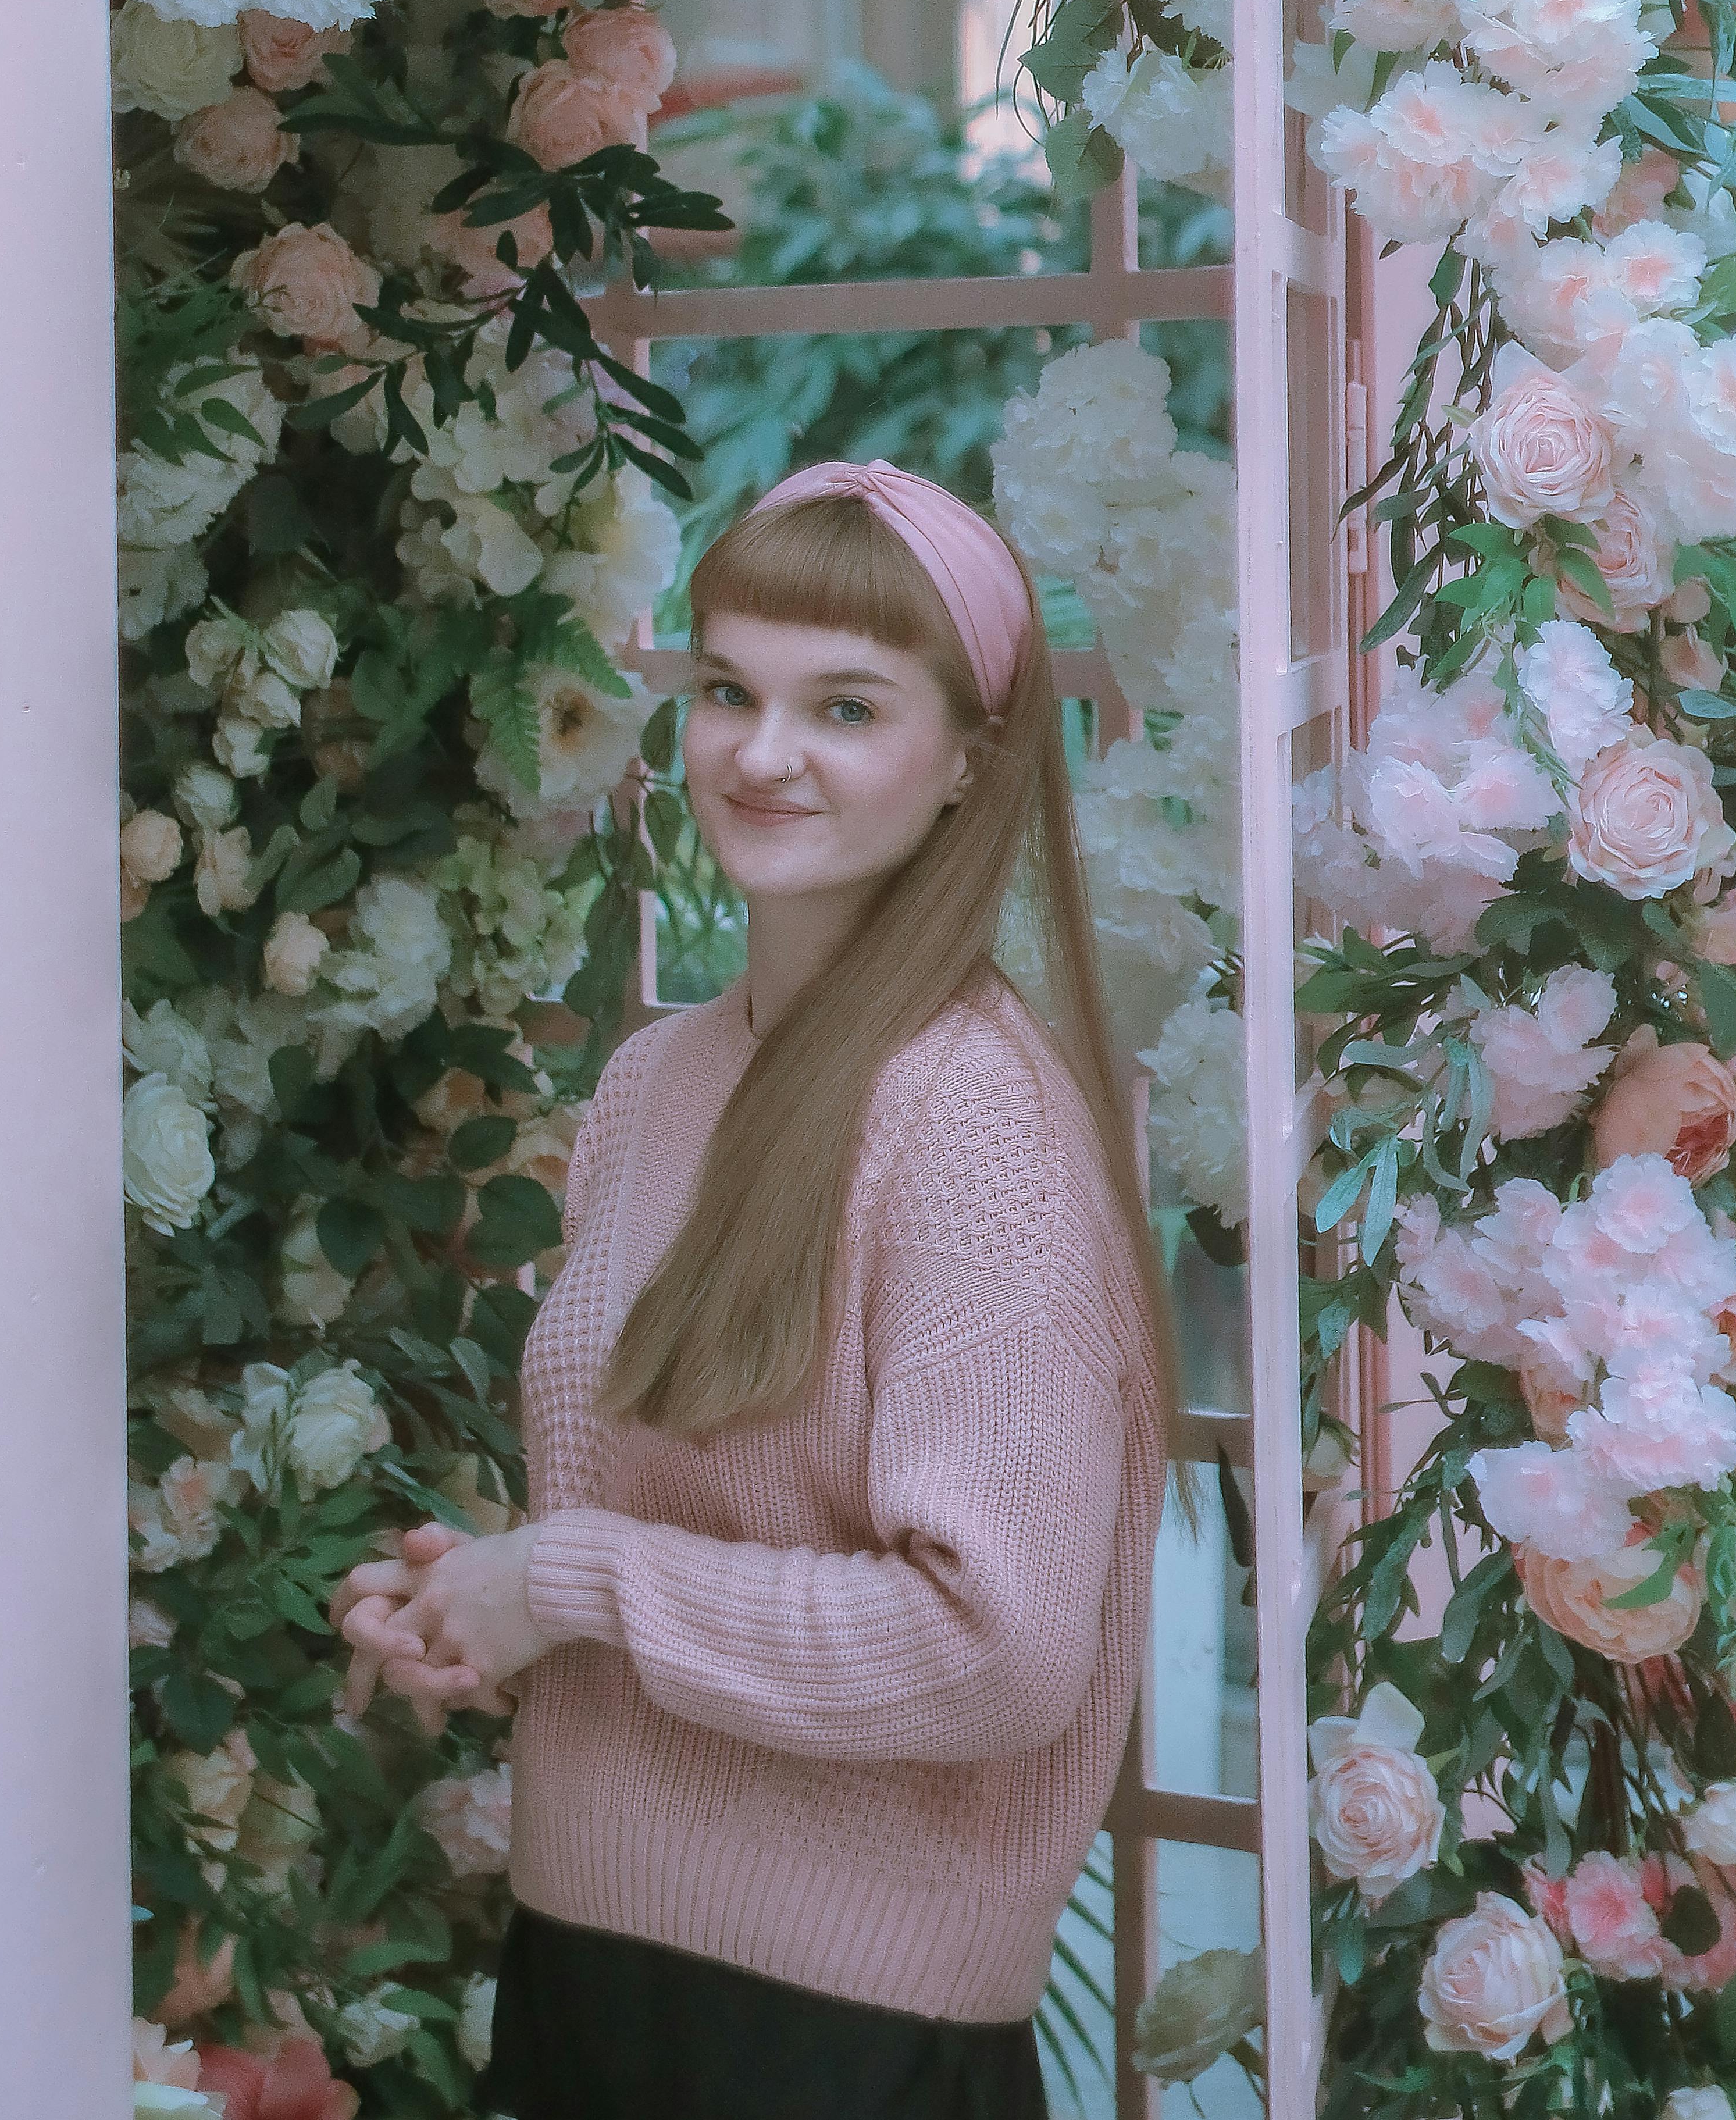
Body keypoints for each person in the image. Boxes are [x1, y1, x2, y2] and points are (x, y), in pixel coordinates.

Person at [332, 458, 1178, 2120]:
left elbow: (997, 1647)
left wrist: (570, 1580)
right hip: (593, 1972)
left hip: (834, 2039)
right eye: (727, 688)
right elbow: (660, 1511)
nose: (759, 752)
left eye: (844, 705)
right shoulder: (657, 1078)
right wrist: (478, 1605)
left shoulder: (973, 1114)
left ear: (967, 762)